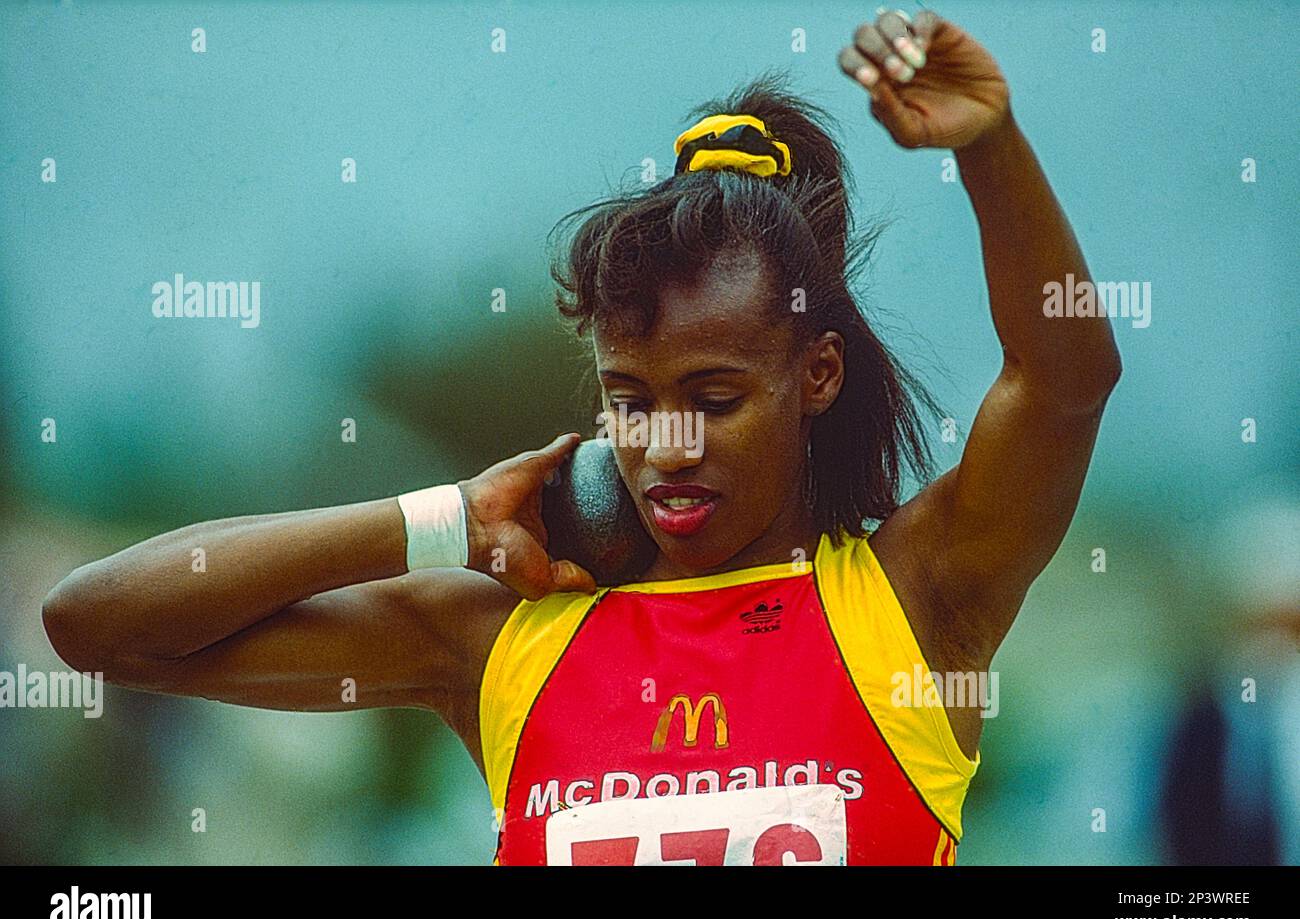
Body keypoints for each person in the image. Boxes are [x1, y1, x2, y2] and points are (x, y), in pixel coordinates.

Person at [41, 9, 1121, 865]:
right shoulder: (505, 638)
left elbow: (1064, 378)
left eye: (713, 395)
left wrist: (991, 147)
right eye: (629, 397)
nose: (666, 445)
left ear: (815, 374)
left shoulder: (916, 596)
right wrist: (442, 520)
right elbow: (97, 624)